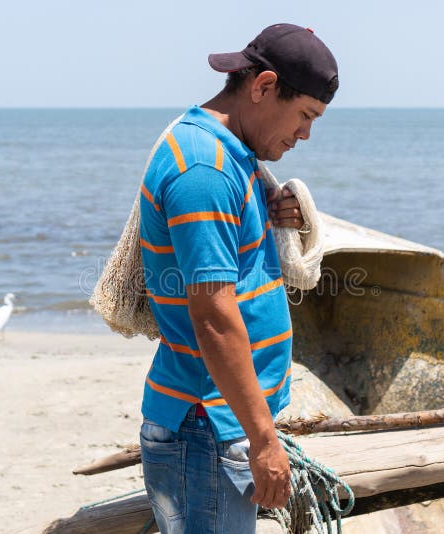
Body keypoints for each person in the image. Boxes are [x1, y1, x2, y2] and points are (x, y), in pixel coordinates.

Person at [137, 23, 339, 533]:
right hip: (206, 424)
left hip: (218, 422)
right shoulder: (204, 169)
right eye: (305, 116)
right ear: (264, 86)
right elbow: (214, 319)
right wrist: (263, 440)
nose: (306, 134)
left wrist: (269, 214)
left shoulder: (231, 156)